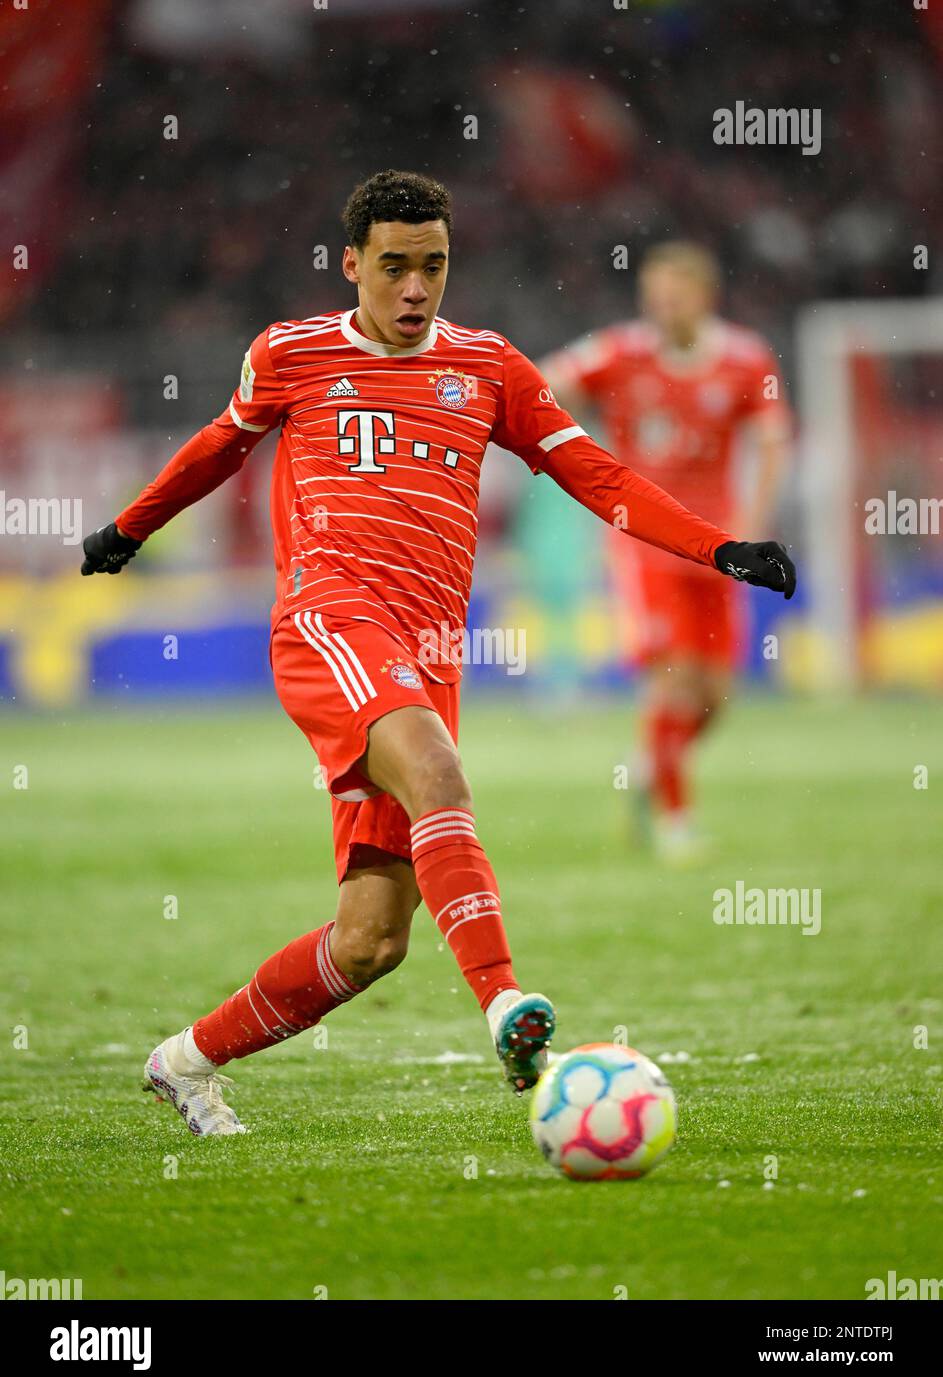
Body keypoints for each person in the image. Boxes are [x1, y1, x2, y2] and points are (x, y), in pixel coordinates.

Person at [81, 173, 795, 1136]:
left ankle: (185, 1062)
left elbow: (597, 473)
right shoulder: (291, 353)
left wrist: (719, 546)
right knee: (438, 774)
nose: (416, 289)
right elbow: (218, 445)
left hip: (427, 655)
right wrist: (129, 529)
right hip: (328, 622)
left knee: (371, 941)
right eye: (394, 268)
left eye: (433, 266)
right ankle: (506, 1007)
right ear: (352, 266)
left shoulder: (490, 367)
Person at [541, 243, 791, 861]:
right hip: (645, 541)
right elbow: (539, 385)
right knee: (673, 683)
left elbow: (773, 438)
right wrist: (573, 446)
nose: (660, 308)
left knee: (716, 694)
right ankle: (675, 822)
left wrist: (755, 520)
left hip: (716, 544)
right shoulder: (619, 351)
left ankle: (650, 763)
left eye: (673, 297)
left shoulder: (743, 358)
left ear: (705, 297)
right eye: (652, 296)